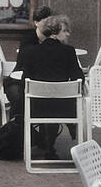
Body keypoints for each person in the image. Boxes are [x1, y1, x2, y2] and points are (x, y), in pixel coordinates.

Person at [19, 14, 84, 159]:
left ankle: (46, 147)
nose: (68, 34)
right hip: (63, 108)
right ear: (56, 32)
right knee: (58, 101)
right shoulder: (68, 51)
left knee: (47, 102)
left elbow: (25, 80)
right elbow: (78, 78)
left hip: (36, 107)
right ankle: (51, 147)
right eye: (65, 31)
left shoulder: (32, 51)